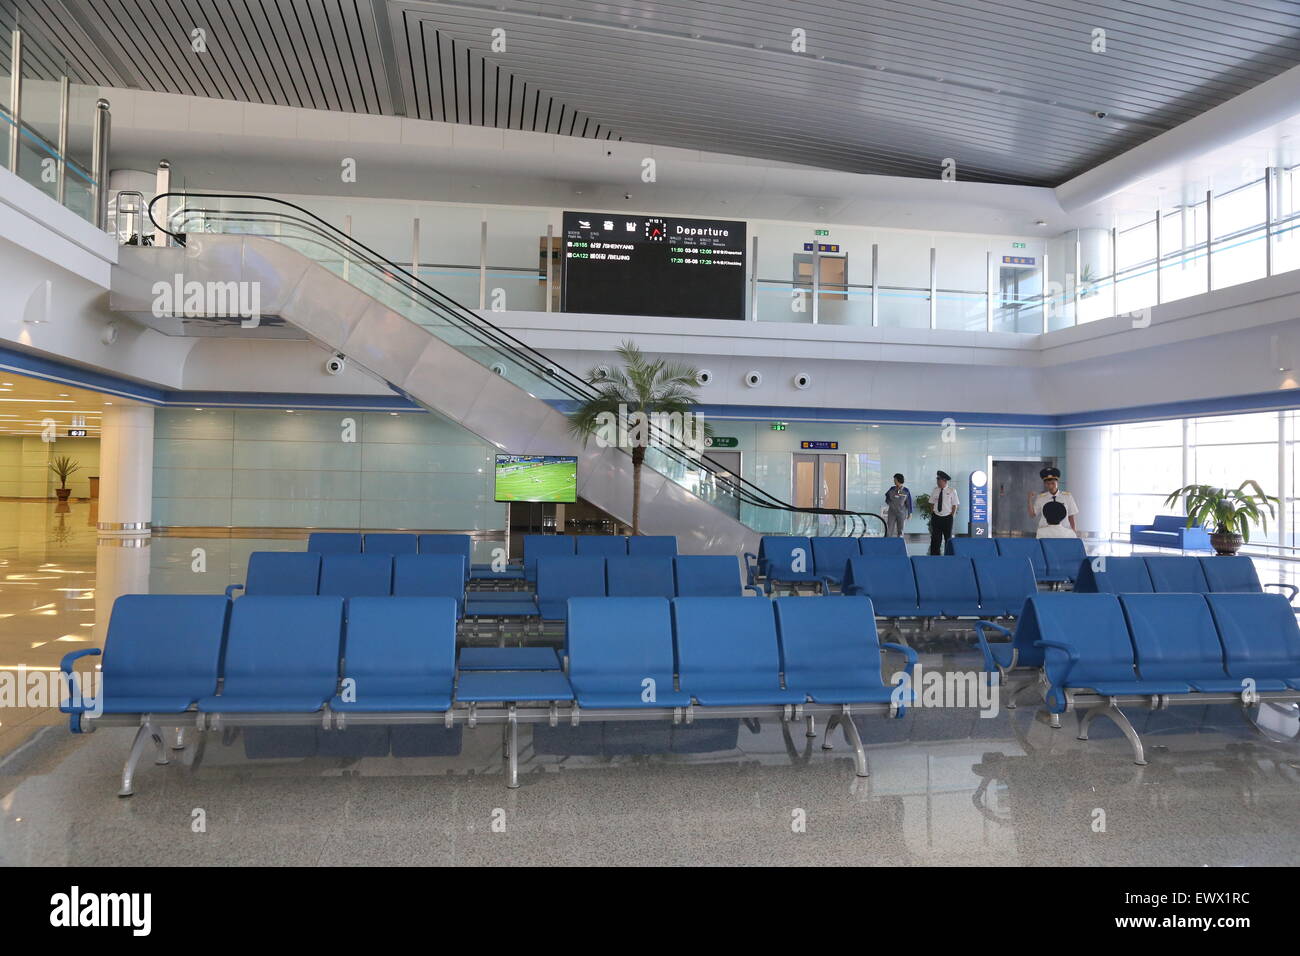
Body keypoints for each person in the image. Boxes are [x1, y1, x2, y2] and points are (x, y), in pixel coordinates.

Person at [1028, 467, 1078, 534]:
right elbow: (1032, 514)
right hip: (1046, 532)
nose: (1050, 486)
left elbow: (1071, 516)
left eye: (1053, 483)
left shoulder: (1067, 497)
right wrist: (1029, 500)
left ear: (1057, 482)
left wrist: (1073, 531)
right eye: (1048, 484)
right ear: (1045, 484)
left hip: (1064, 532)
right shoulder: (1041, 498)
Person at [928, 470, 959, 555]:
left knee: (948, 538)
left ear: (944, 481)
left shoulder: (952, 491)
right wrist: (933, 513)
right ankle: (935, 556)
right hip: (936, 517)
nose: (937, 482)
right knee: (935, 538)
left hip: (947, 518)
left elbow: (955, 505)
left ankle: (948, 555)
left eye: (939, 480)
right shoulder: (935, 490)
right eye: (937, 480)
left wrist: (951, 516)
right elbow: (931, 502)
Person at [883, 473, 912, 538]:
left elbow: (909, 502)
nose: (894, 481)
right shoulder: (892, 489)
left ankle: (899, 543)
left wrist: (910, 513)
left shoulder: (906, 491)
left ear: (898, 480)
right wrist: (889, 503)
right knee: (889, 529)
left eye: (894, 479)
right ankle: (887, 542)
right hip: (892, 512)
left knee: (900, 530)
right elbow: (887, 496)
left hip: (901, 513)